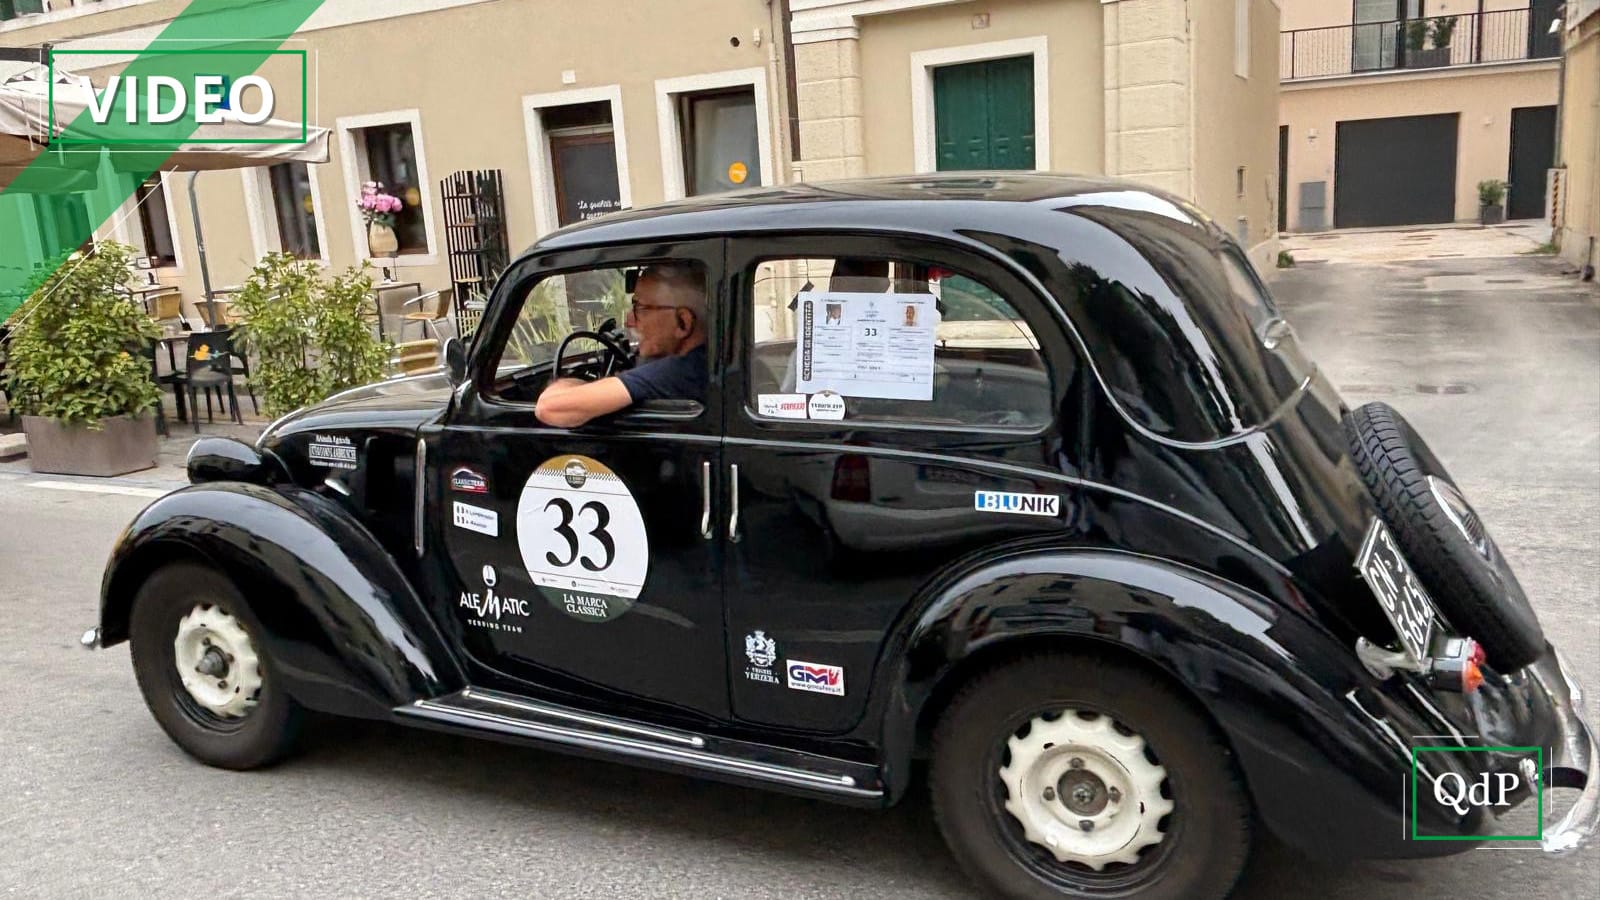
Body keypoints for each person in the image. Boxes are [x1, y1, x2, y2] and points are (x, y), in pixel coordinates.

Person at [534, 263, 708, 428]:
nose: (629, 320)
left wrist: (569, 383)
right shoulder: (703, 360)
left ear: (683, 322)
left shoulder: (681, 371)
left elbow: (549, 408)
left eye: (641, 308)